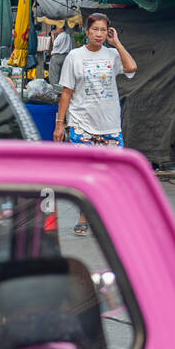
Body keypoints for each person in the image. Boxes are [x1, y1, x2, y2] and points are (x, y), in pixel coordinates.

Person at [55, 12, 137, 234]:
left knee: (111, 175)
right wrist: (59, 124)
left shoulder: (112, 55)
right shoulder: (75, 56)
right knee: (84, 174)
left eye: (103, 30)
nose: (99, 34)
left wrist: (117, 43)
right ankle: (84, 215)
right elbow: (66, 92)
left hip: (109, 123)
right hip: (81, 122)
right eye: (95, 29)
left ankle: (107, 217)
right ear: (86, 31)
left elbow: (131, 68)